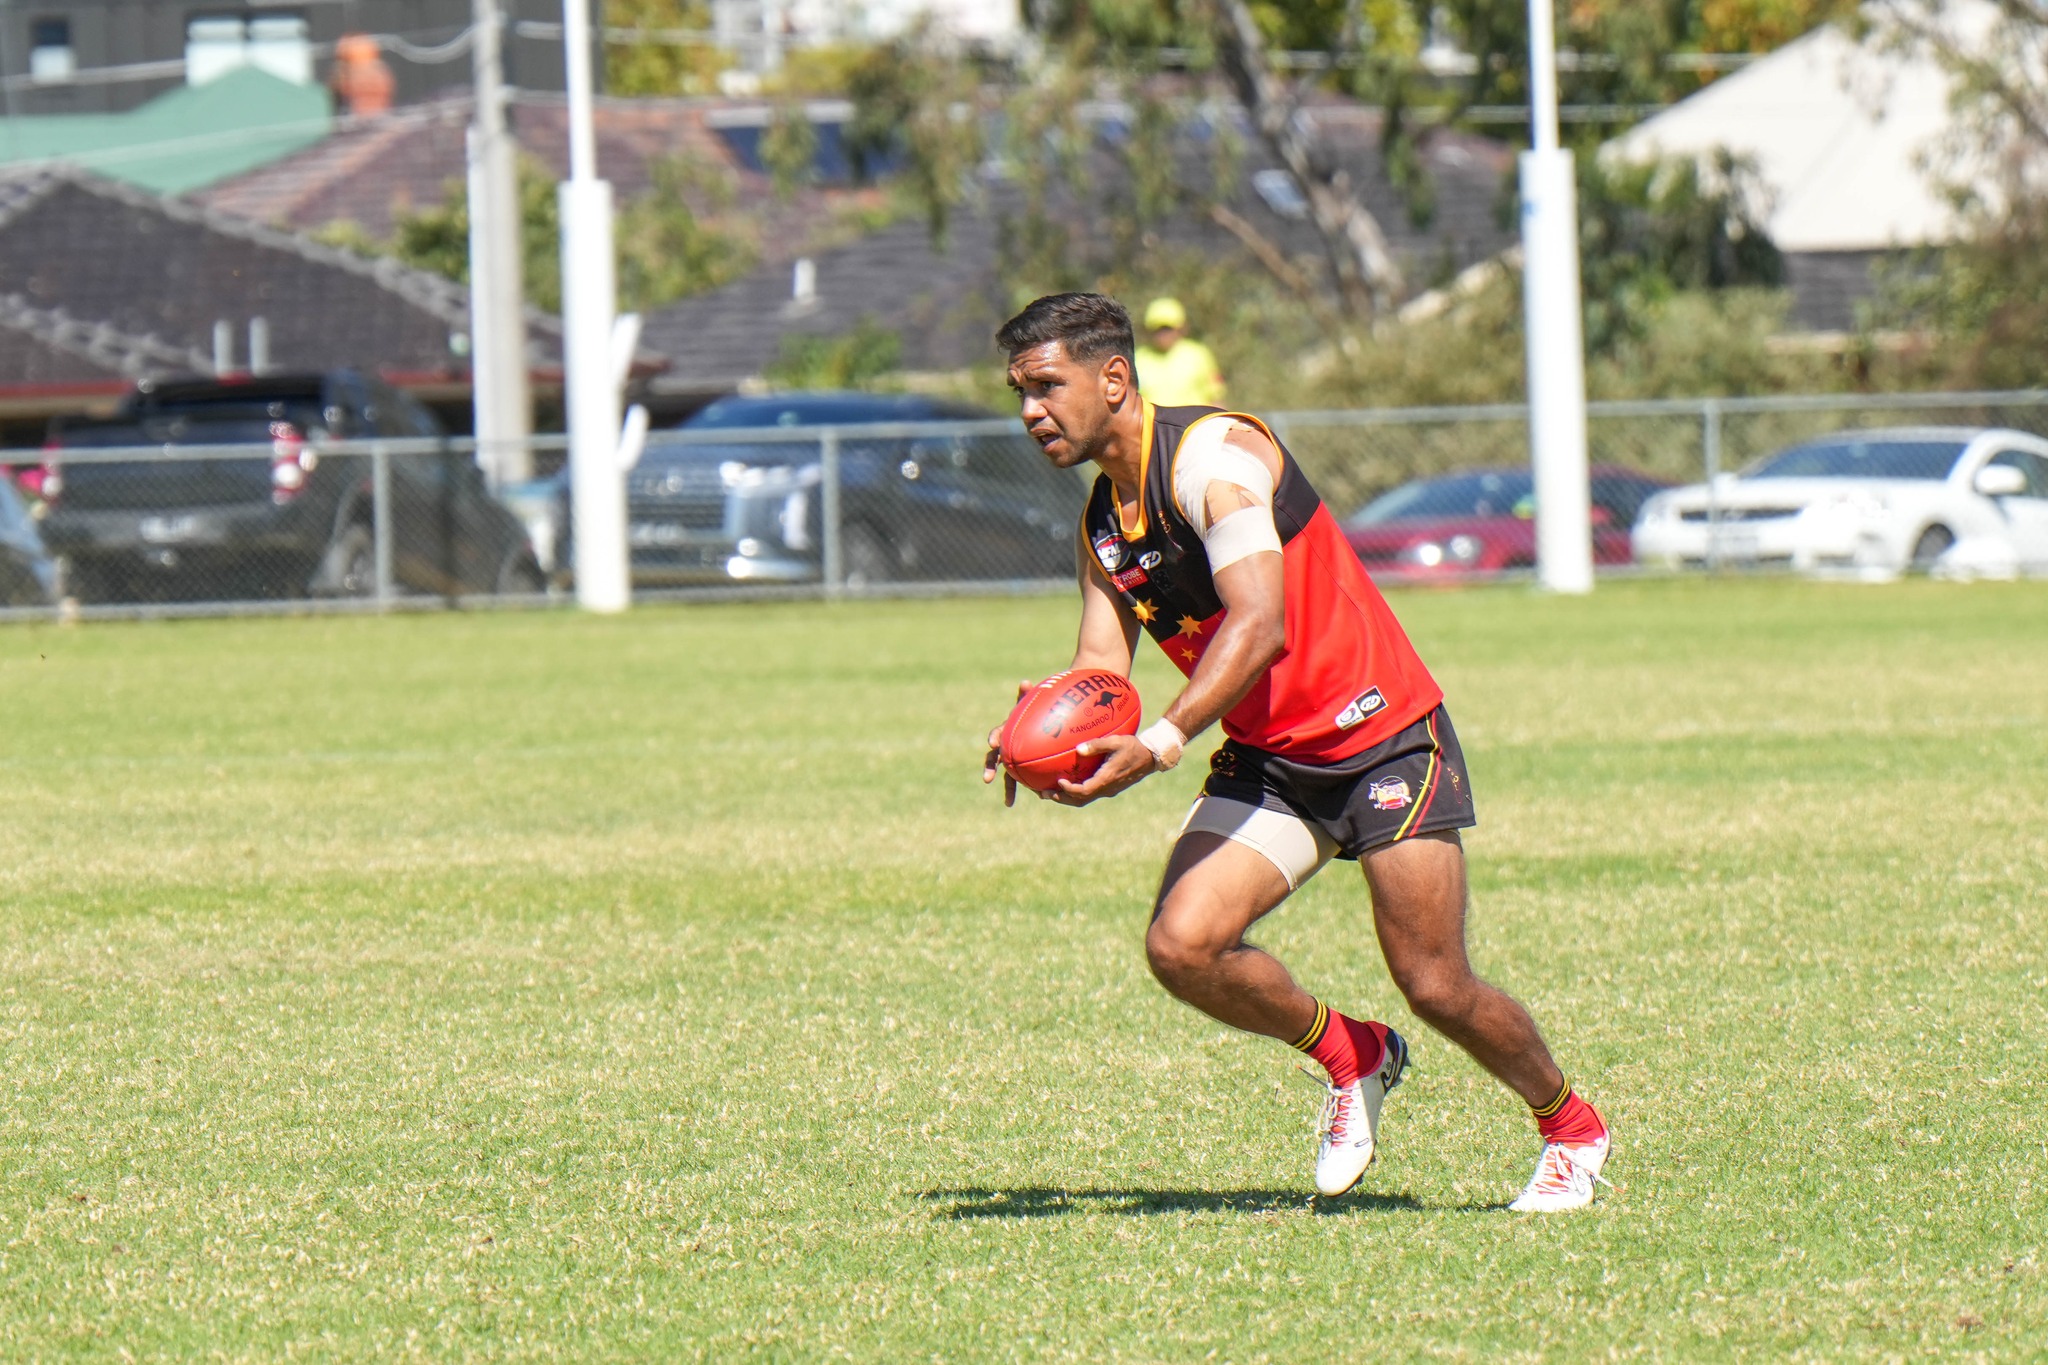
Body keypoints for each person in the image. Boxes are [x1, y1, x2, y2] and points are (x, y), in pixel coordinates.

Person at [981, 293, 1611, 1212]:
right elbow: (1098, 666)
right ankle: (1352, 1055)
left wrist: (1159, 745)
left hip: (1384, 738)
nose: (1032, 410)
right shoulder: (1103, 526)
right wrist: (1039, 735)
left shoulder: (1216, 461)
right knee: (1182, 946)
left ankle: (1570, 1125)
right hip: (1274, 760)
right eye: (1019, 392)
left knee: (1434, 981)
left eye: (1046, 385)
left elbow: (1262, 623)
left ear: (1113, 378)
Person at [1133, 297, 1226, 407]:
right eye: (1157, 329)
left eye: (1168, 328)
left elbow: (1215, 397)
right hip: (1153, 423)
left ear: (1180, 328)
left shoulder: (1198, 355)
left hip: (1194, 422)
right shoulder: (1138, 358)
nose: (1163, 334)